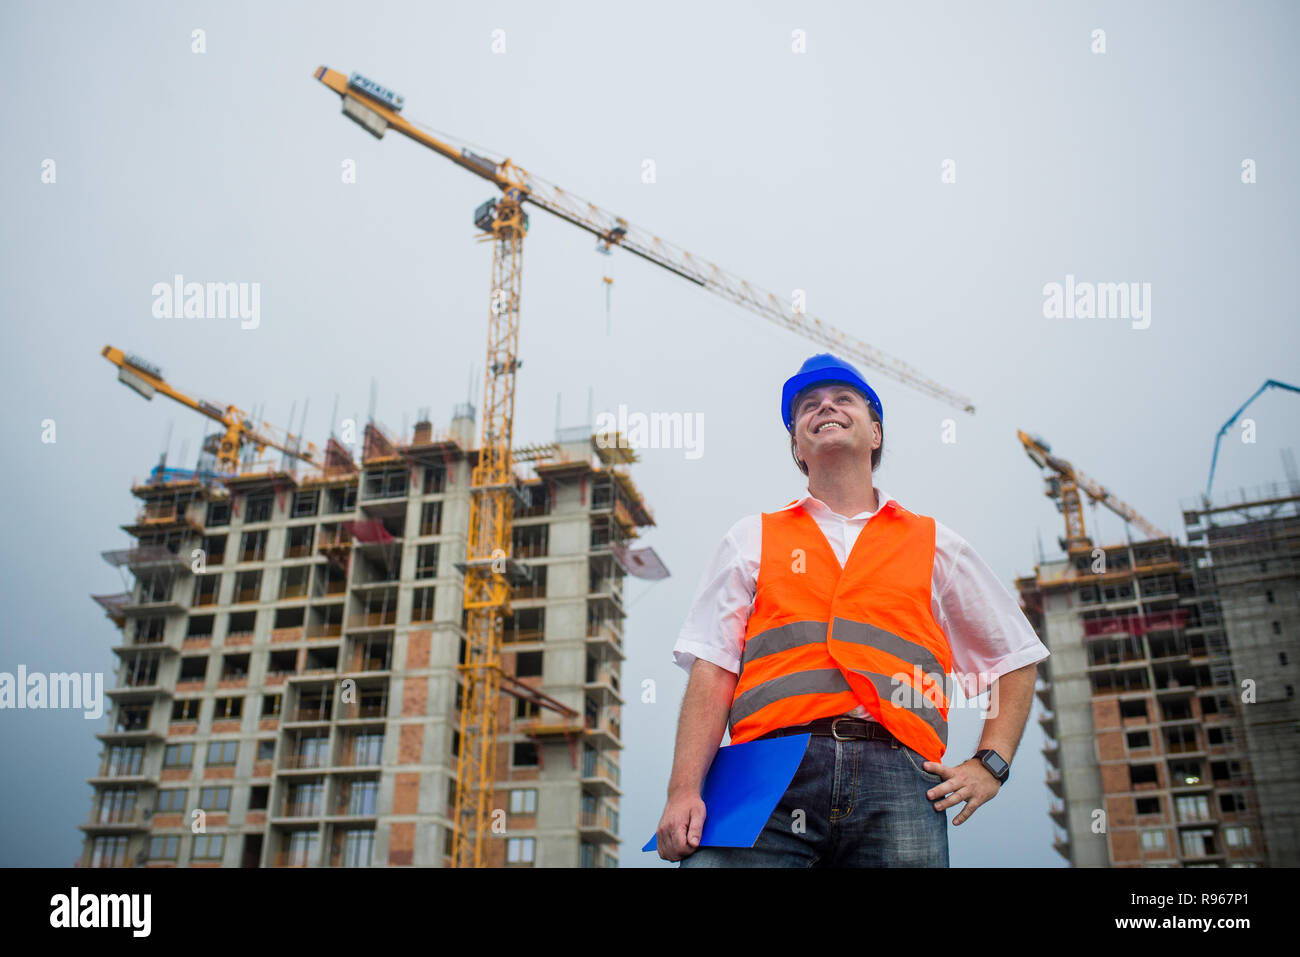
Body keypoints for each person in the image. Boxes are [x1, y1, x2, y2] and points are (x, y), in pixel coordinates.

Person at [656, 353, 1049, 867]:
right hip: (762, 778)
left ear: (876, 433)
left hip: (900, 779)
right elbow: (713, 669)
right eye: (808, 406)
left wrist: (990, 763)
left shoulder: (936, 545)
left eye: (843, 399)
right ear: (797, 446)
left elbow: (1015, 657)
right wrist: (683, 791)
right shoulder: (751, 539)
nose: (826, 408)